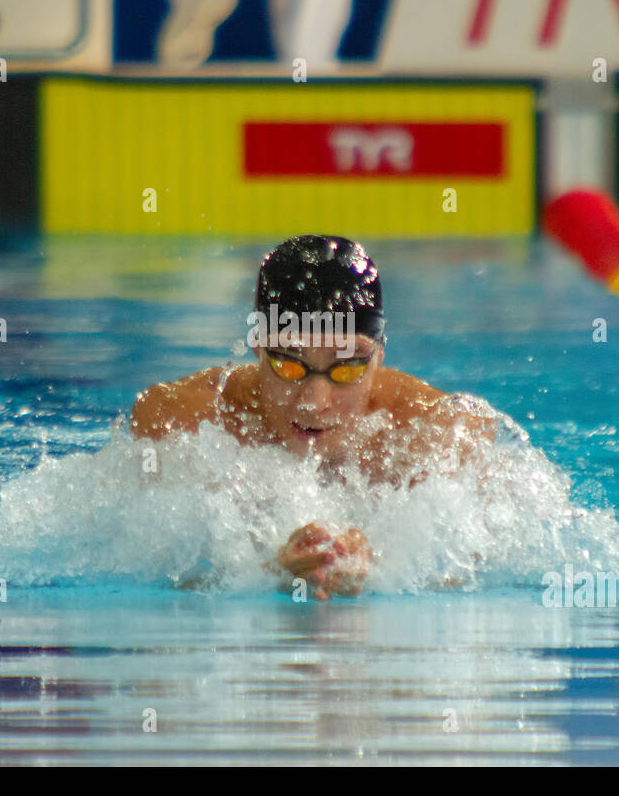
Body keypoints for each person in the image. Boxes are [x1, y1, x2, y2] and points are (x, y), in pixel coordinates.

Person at [131, 235, 493, 599]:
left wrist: (379, 568)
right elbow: (154, 569)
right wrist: (269, 572)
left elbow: (471, 573)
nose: (314, 403)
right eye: (289, 364)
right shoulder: (184, 420)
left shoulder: (435, 432)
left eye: (346, 369)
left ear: (379, 355)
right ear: (257, 347)